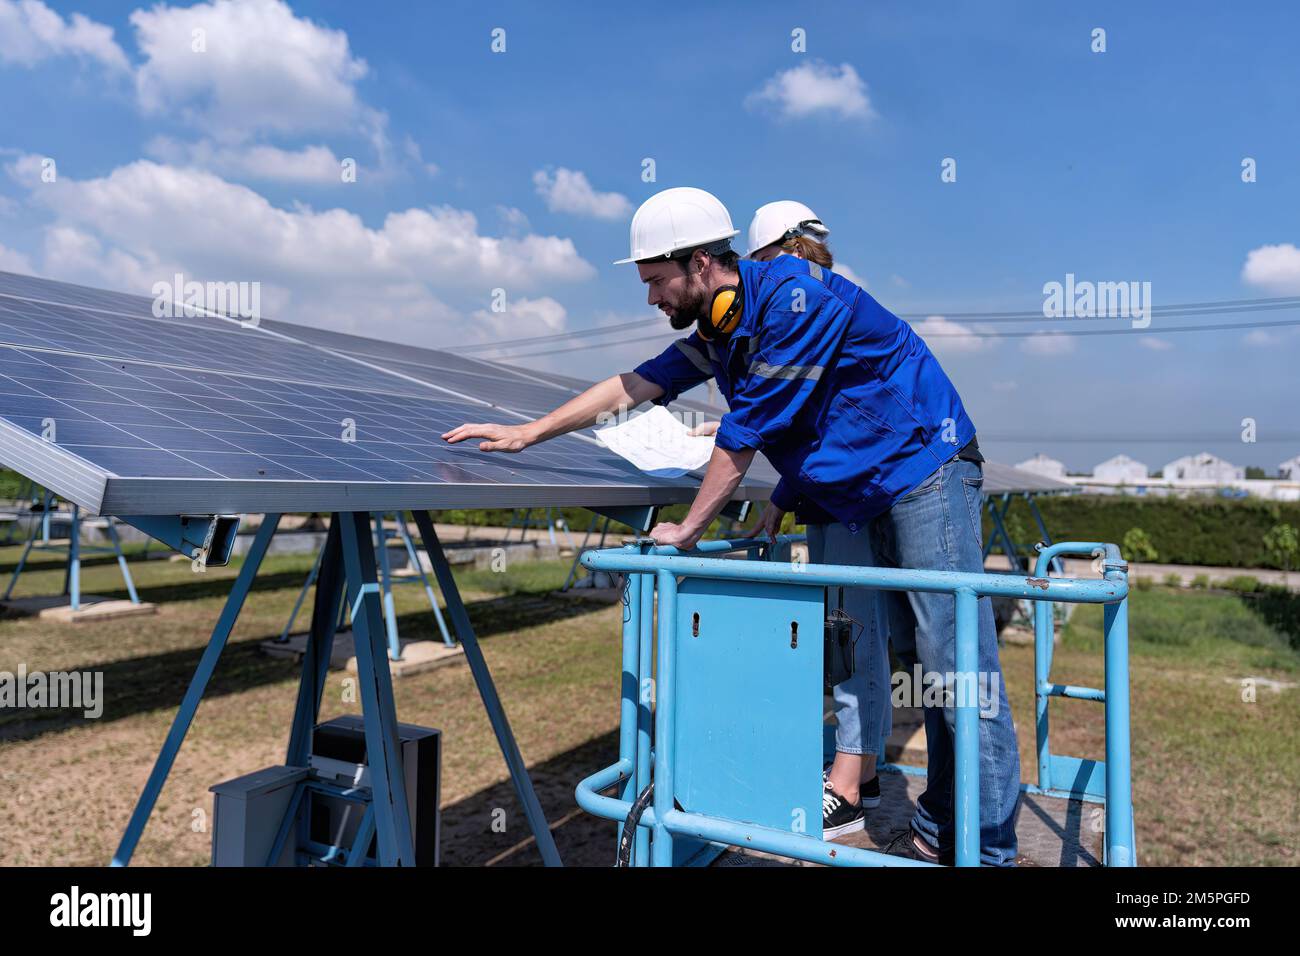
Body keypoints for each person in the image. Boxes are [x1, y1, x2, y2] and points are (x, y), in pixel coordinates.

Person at [443, 186, 1021, 864]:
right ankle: (943, 823)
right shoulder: (719, 331)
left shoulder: (796, 301)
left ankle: (986, 850)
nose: (651, 298)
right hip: (861, 488)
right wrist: (527, 433)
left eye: (656, 281)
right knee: (918, 659)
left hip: (926, 465)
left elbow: (740, 438)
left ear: (699, 264)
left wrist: (686, 532)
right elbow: (633, 386)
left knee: (953, 663)